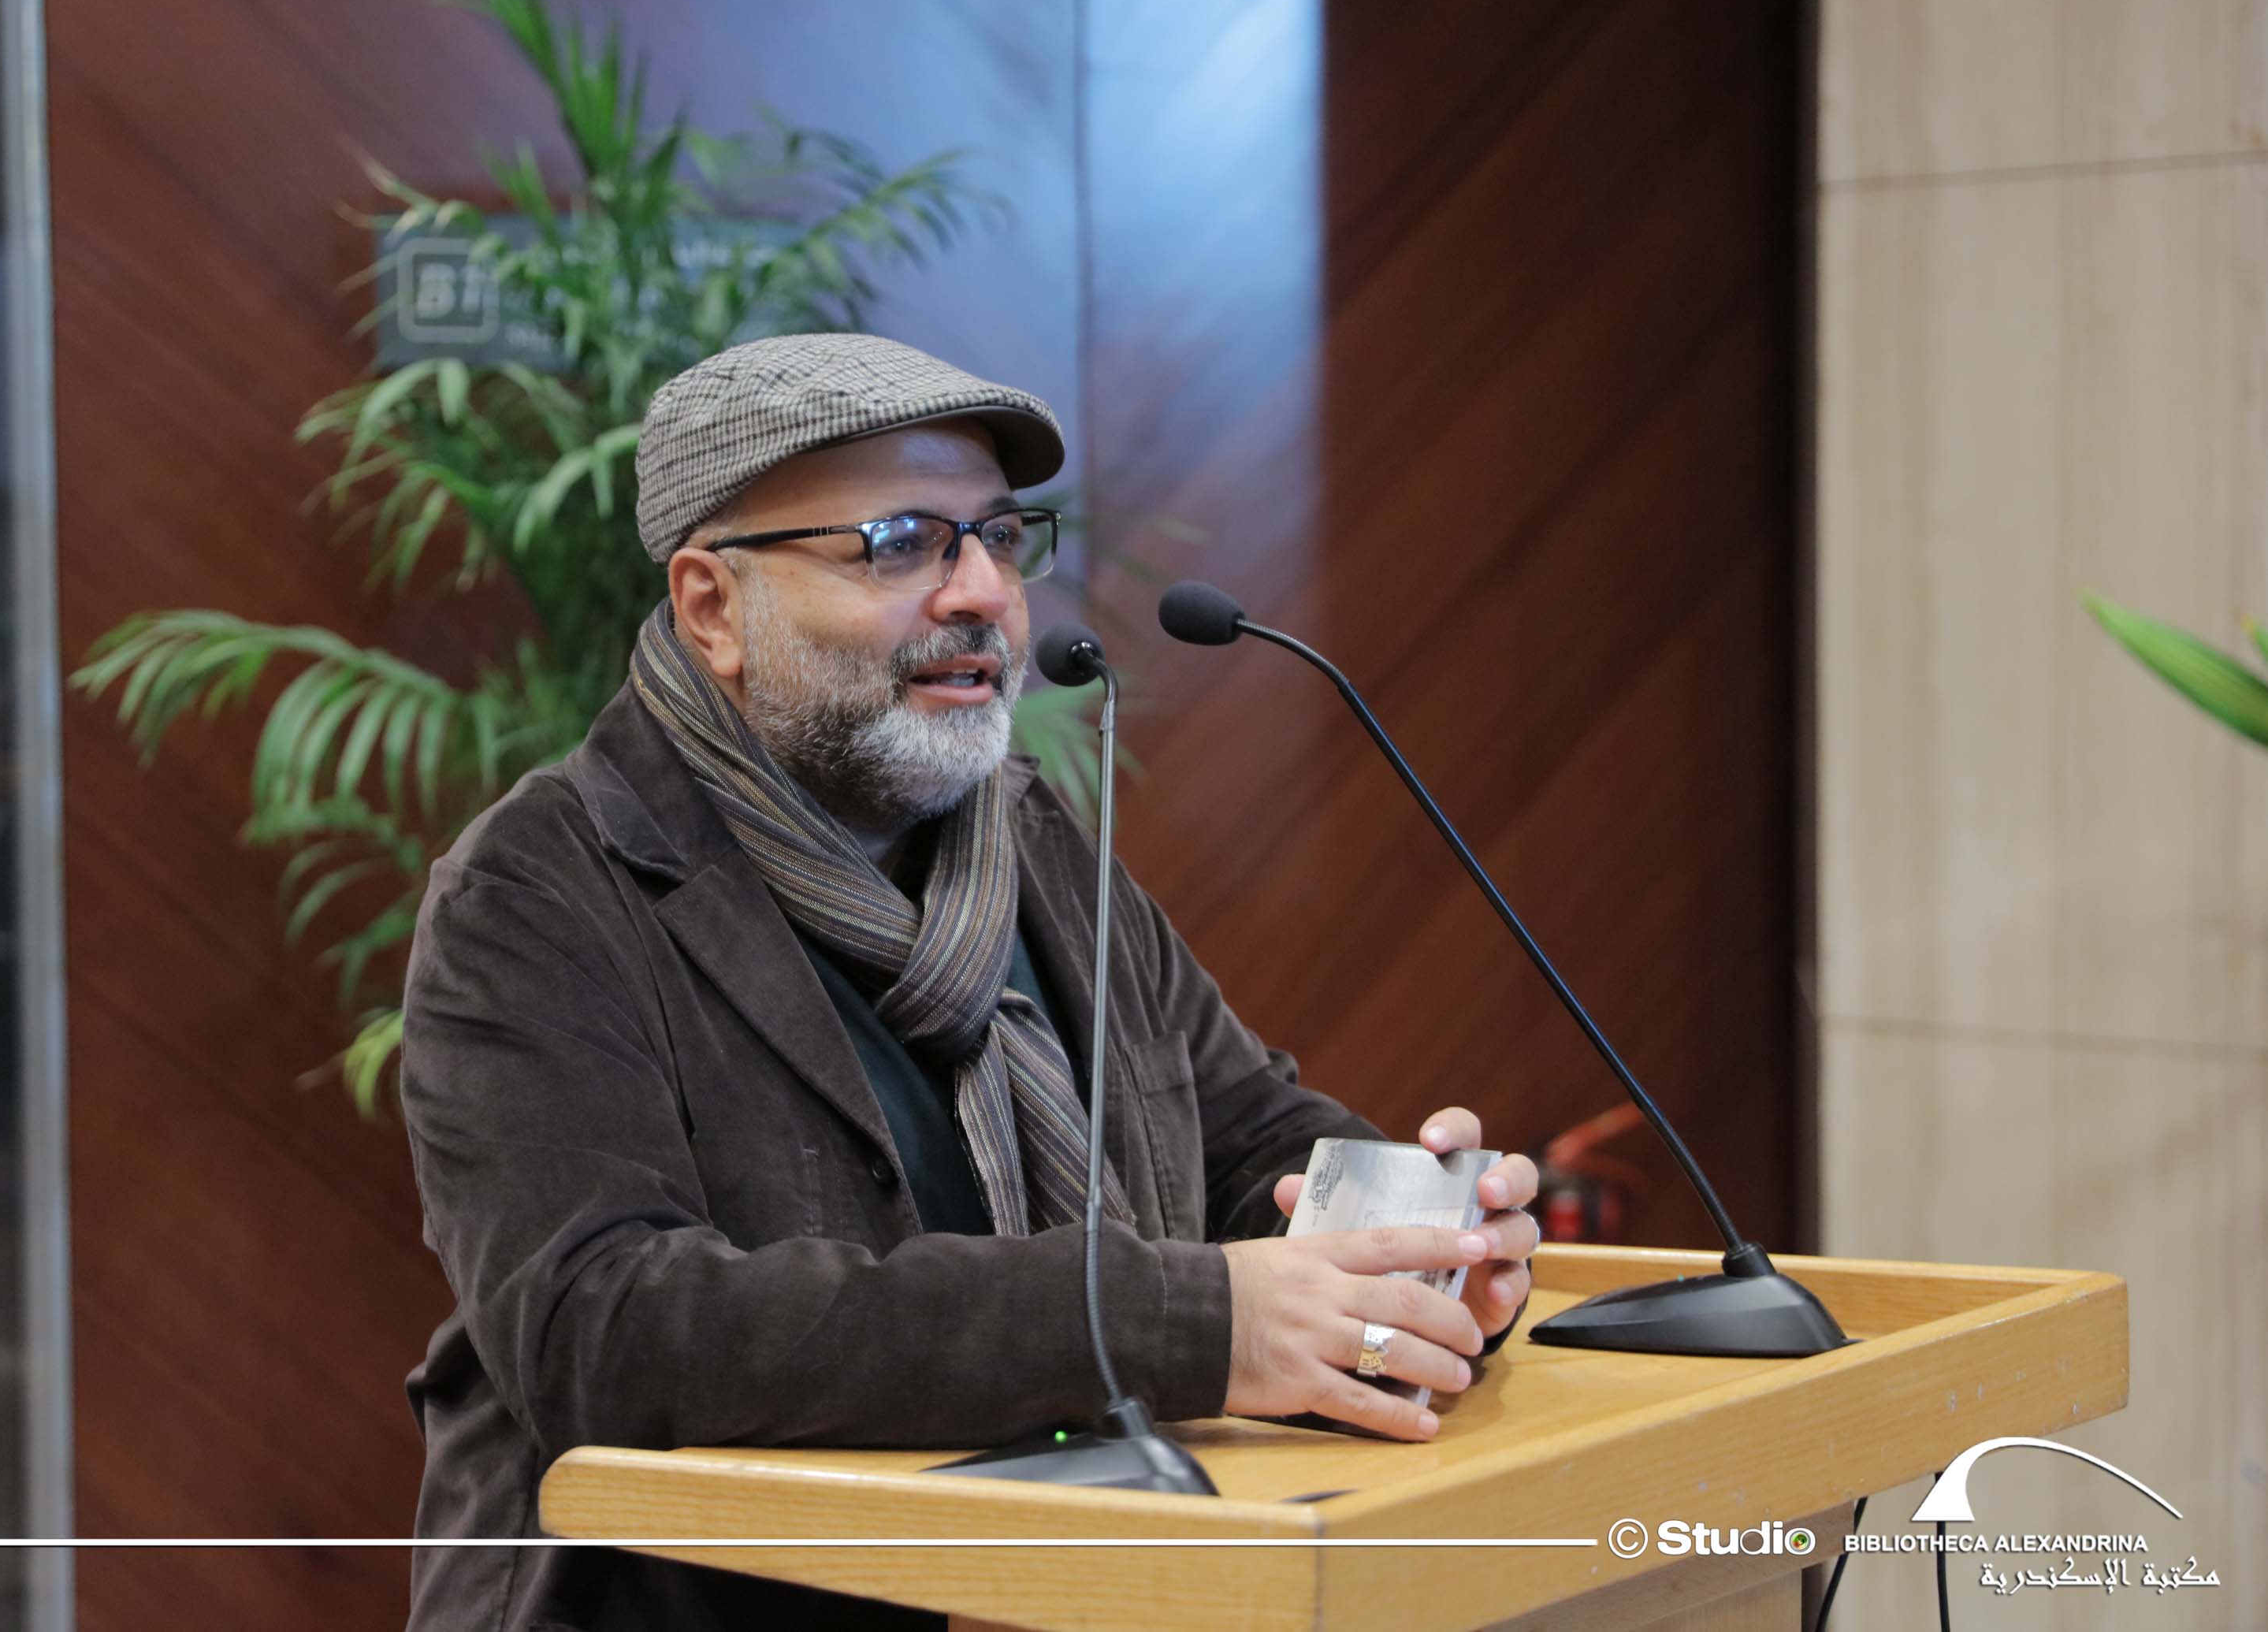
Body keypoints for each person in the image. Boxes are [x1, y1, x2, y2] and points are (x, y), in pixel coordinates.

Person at [398, 333, 1542, 1632]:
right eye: (902, 544)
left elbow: (1244, 1143)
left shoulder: (1026, 838)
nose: (985, 593)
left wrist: (1420, 1253)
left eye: (999, 535)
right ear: (712, 605)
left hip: (1077, 1589)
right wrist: (1179, 1322)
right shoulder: (540, 891)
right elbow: (604, 1330)